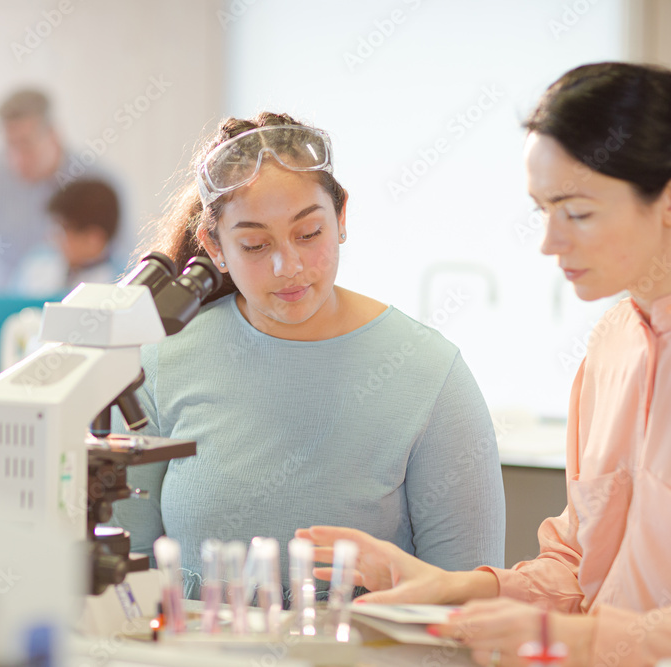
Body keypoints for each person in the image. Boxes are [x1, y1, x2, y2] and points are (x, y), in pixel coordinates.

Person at [299, 61, 671, 667]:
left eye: (575, 212)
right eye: (540, 210)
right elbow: (580, 567)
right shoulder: (612, 349)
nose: (550, 242)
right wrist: (452, 586)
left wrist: (581, 641)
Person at [110, 112, 507, 601]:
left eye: (309, 233)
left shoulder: (428, 373)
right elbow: (125, 578)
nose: (288, 266)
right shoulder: (161, 363)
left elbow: (467, 595)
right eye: (255, 244)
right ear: (215, 247)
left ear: (341, 218)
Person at [0, 89, 126, 292]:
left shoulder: (97, 182)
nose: (17, 158)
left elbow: (123, 253)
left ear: (54, 135)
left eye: (26, 145)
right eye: (10, 145)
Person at [11, 178, 122, 296]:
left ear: (94, 239)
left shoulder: (119, 283)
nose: (54, 236)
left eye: (64, 229)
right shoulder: (36, 265)